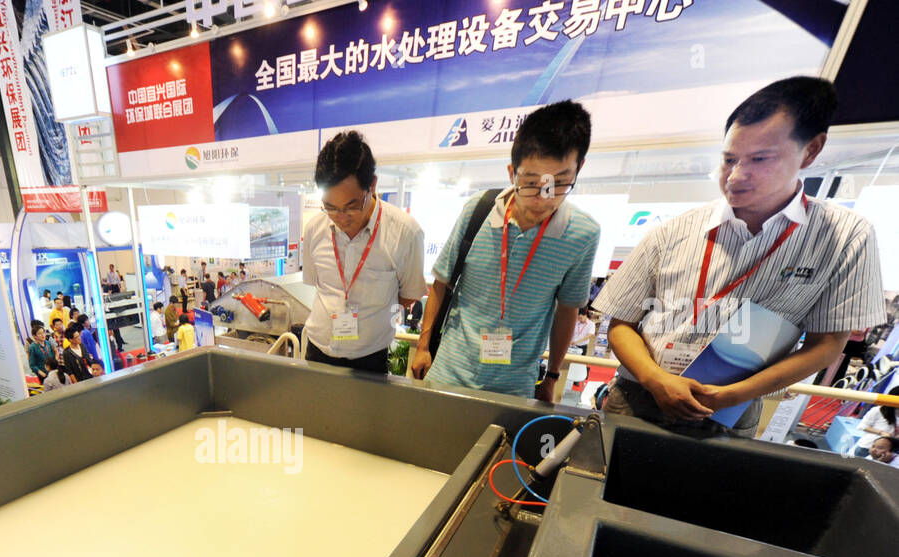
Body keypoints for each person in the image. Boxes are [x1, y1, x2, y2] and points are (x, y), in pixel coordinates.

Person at [592, 77, 884, 438]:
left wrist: (732, 394)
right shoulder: (673, 231)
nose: (736, 176)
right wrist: (656, 380)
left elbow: (827, 344)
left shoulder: (844, 237)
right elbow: (621, 322)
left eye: (760, 159)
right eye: (729, 159)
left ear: (810, 151)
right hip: (638, 396)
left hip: (732, 408)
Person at [412, 101, 600, 400]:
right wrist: (422, 347)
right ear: (512, 171)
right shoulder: (479, 210)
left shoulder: (582, 234)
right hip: (447, 374)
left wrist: (551, 377)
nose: (543, 198)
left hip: (515, 387)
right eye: (531, 183)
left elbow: (567, 310)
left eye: (560, 183)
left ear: (580, 168)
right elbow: (441, 282)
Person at [302, 131, 426, 374]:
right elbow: (317, 284)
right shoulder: (315, 229)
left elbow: (408, 296)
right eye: (330, 207)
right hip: (317, 350)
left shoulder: (405, 233)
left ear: (373, 185)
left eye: (351, 207)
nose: (340, 218)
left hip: (369, 359)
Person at [853, 386, 899, 455]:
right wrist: (881, 433)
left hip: (887, 452)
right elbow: (862, 426)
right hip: (867, 448)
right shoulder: (878, 410)